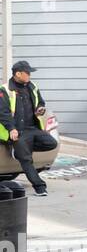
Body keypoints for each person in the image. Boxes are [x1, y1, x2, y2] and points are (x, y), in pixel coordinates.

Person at [0, 61, 56, 196]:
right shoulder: (5, 90)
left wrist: (40, 109)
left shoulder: (33, 87)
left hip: (32, 128)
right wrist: (11, 129)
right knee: (26, 159)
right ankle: (40, 187)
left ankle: (19, 151)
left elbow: (40, 102)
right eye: (28, 73)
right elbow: (3, 112)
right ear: (18, 74)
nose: (30, 75)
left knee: (51, 143)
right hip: (16, 131)